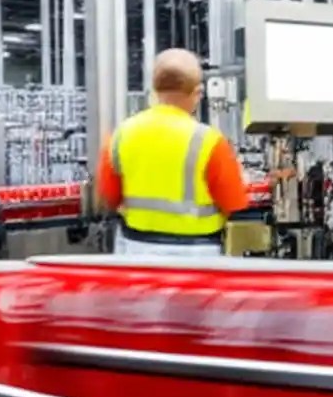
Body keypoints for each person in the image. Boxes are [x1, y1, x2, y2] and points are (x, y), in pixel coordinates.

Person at [95, 48, 250, 257]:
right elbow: (235, 202)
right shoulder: (209, 141)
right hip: (197, 255)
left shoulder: (121, 134)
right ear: (197, 93)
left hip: (135, 251)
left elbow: (109, 196)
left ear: (155, 89)